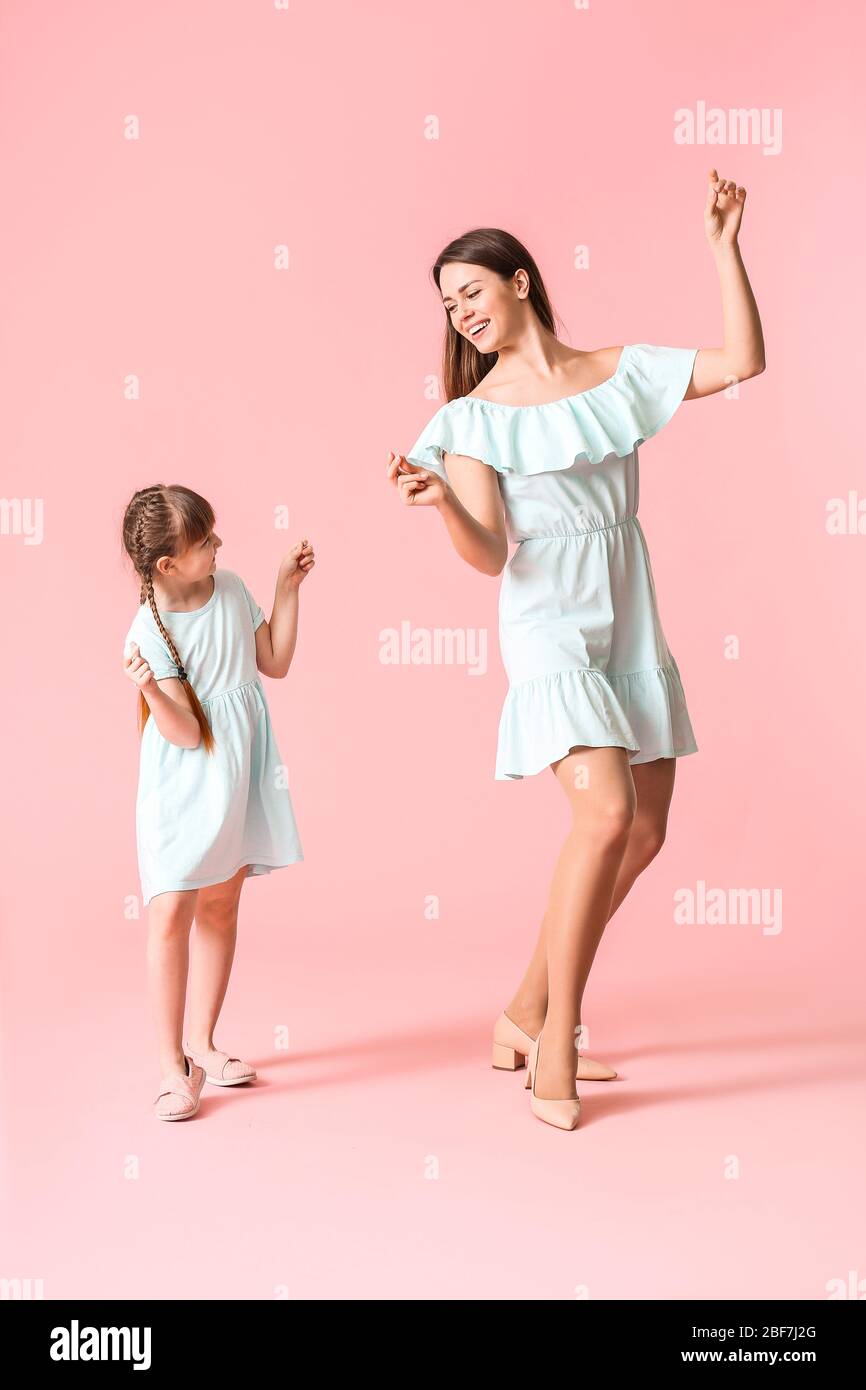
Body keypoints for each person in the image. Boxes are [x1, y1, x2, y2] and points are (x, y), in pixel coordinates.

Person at [388, 171, 765, 1131]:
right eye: (447, 305)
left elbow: (743, 363)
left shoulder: (618, 368)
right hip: (547, 617)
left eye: (471, 289)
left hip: (628, 608)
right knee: (602, 818)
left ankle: (520, 1013)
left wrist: (724, 249)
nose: (461, 312)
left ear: (519, 280)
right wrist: (441, 509)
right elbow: (487, 554)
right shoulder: (468, 421)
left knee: (644, 832)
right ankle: (556, 1039)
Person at [121, 484, 314, 1120]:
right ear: (166, 565)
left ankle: (203, 1043)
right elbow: (182, 731)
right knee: (172, 911)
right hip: (184, 782)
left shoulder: (229, 588)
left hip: (238, 774)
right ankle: (171, 1067)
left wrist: (286, 587)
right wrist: (149, 689)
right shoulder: (148, 629)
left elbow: (274, 661)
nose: (218, 546)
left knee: (223, 906)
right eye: (205, 542)